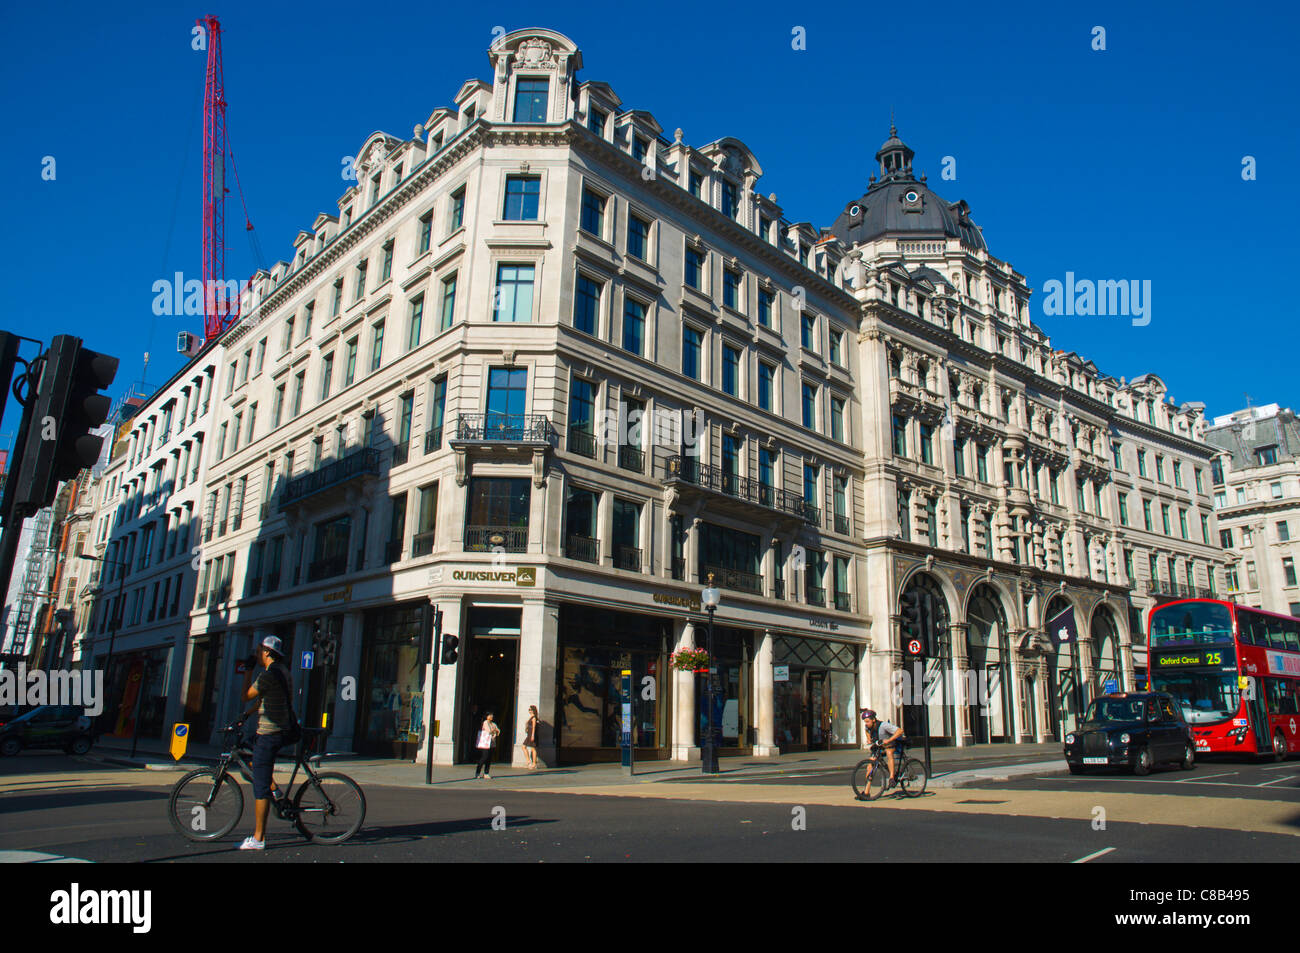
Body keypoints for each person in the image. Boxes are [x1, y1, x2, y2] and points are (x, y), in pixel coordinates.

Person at [239, 636, 295, 850]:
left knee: (259, 786)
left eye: (259, 650)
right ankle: (276, 790)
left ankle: (258, 838)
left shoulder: (267, 675)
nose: (257, 653)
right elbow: (266, 700)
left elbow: (246, 695)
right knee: (248, 759)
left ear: (267, 652)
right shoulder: (284, 673)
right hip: (281, 730)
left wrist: (247, 670)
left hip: (270, 733)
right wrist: (248, 714)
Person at [860, 708, 905, 789]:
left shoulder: (884, 725)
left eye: (867, 721)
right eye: (865, 722)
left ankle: (891, 778)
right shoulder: (868, 727)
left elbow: (900, 731)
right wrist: (869, 738)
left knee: (889, 753)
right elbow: (866, 731)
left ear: (873, 720)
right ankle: (866, 792)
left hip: (891, 744)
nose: (866, 724)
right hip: (879, 746)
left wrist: (889, 740)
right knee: (870, 765)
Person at [473, 711, 500, 779]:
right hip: (486, 743)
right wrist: (495, 731)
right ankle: (477, 772)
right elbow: (489, 731)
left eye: (492, 715)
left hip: (492, 743)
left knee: (489, 759)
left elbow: (498, 731)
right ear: (486, 716)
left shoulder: (493, 723)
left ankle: (486, 773)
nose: (491, 716)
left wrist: (495, 731)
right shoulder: (485, 722)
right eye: (489, 715)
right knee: (484, 757)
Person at [523, 705, 540, 769]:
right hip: (529, 734)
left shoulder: (534, 718)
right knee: (523, 746)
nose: (530, 711)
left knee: (533, 748)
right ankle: (528, 760)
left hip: (532, 734)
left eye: (531, 710)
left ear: (534, 710)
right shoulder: (531, 717)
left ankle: (534, 763)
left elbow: (534, 727)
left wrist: (533, 735)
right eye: (529, 710)